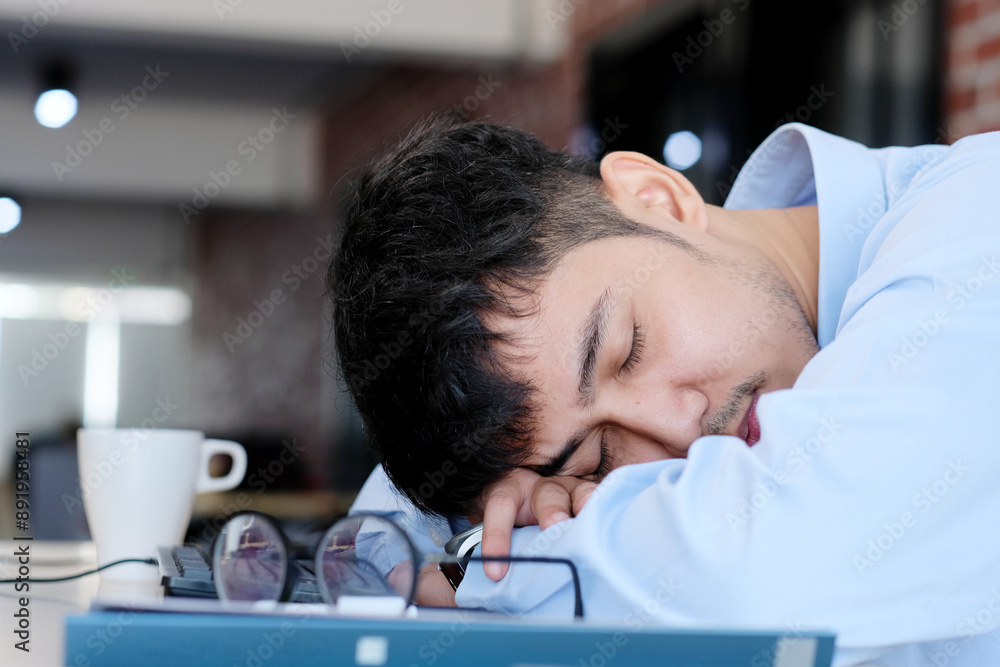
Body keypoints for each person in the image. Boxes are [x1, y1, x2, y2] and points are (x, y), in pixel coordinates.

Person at [328, 116, 1000, 666]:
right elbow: (379, 530)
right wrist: (518, 514)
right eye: (600, 460)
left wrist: (481, 572)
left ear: (657, 197)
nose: (677, 428)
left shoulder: (979, 219)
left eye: (629, 349)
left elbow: (764, 584)